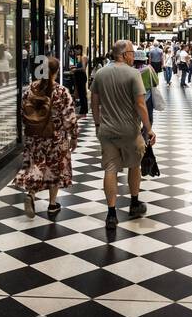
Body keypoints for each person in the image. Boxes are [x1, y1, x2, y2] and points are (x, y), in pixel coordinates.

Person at [90, 40, 156, 230]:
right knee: (134, 165)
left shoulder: (101, 73)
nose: (133, 56)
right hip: (130, 131)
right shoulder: (133, 74)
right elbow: (141, 104)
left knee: (110, 169)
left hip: (107, 130)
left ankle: (111, 214)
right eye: (132, 53)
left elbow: (94, 102)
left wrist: (97, 123)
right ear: (124, 54)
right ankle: (134, 203)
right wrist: (149, 128)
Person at [15, 57, 78, 220]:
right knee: (54, 169)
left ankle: (31, 194)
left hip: (34, 137)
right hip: (55, 138)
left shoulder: (30, 89)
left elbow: (23, 113)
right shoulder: (61, 91)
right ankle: (52, 204)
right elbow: (69, 117)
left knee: (36, 165)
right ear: (56, 72)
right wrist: (74, 136)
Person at [134, 47, 158, 121]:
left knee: (136, 116)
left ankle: (137, 130)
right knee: (148, 116)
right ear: (144, 60)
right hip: (147, 96)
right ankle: (146, 130)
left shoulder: (130, 70)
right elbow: (156, 82)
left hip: (134, 97)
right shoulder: (149, 69)